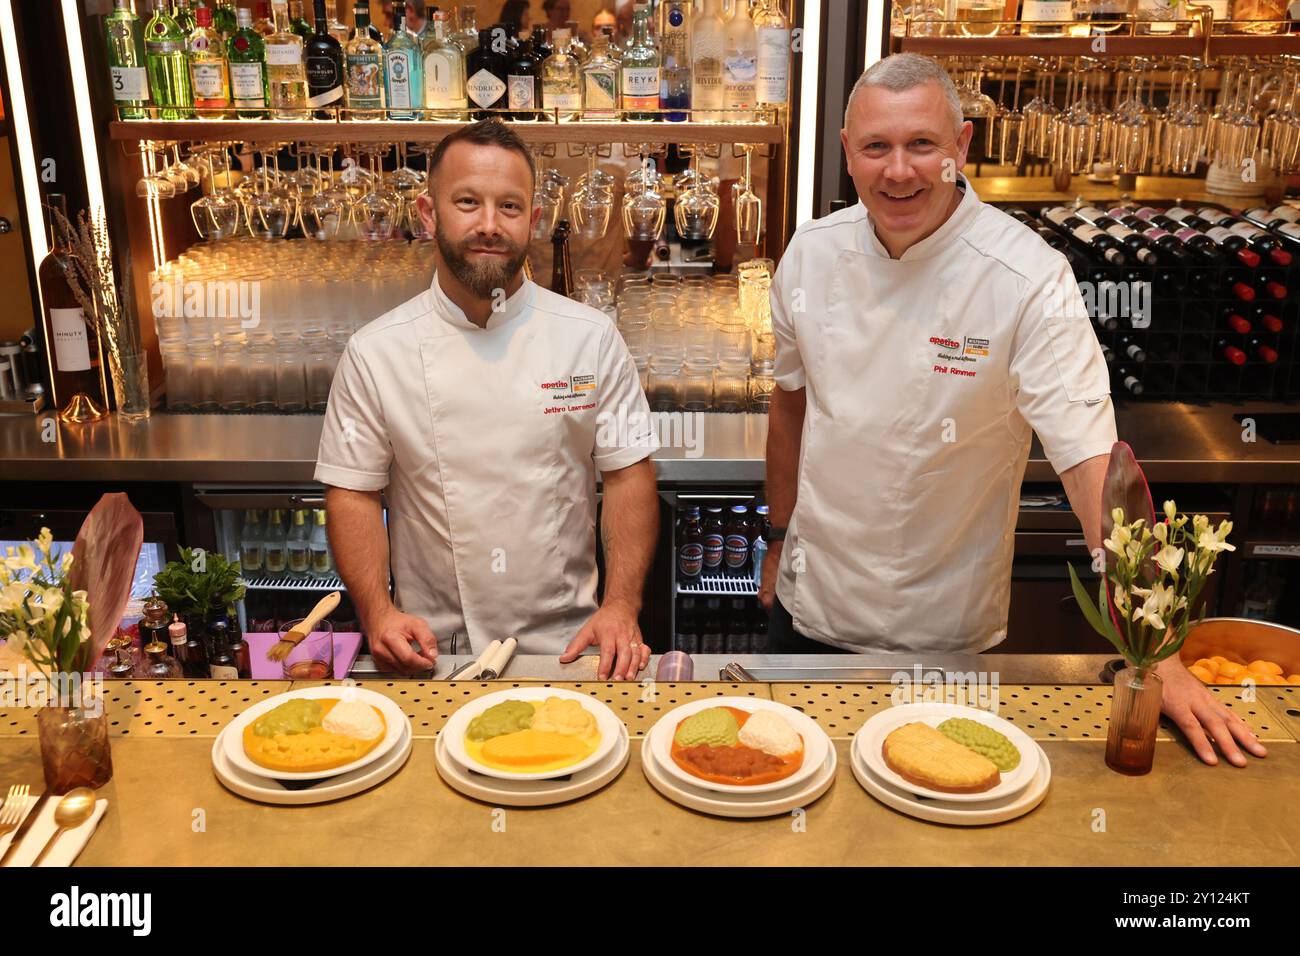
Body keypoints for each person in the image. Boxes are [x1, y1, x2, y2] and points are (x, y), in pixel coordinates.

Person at [760, 53, 1266, 769]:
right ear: (848, 153)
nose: (898, 171)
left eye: (922, 145)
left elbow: (1095, 465)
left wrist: (1158, 649)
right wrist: (778, 538)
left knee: (938, 810)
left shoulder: (1027, 277)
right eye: (877, 147)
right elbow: (791, 404)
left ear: (962, 146)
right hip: (810, 612)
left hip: (945, 631)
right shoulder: (810, 255)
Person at [316, 120, 659, 680]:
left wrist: (621, 605)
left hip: (568, 647)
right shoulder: (376, 352)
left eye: (510, 207)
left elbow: (628, 475)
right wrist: (378, 611)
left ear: (535, 220)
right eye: (468, 202)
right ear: (429, 214)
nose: (489, 225)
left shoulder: (589, 338)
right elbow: (353, 490)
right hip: (429, 647)